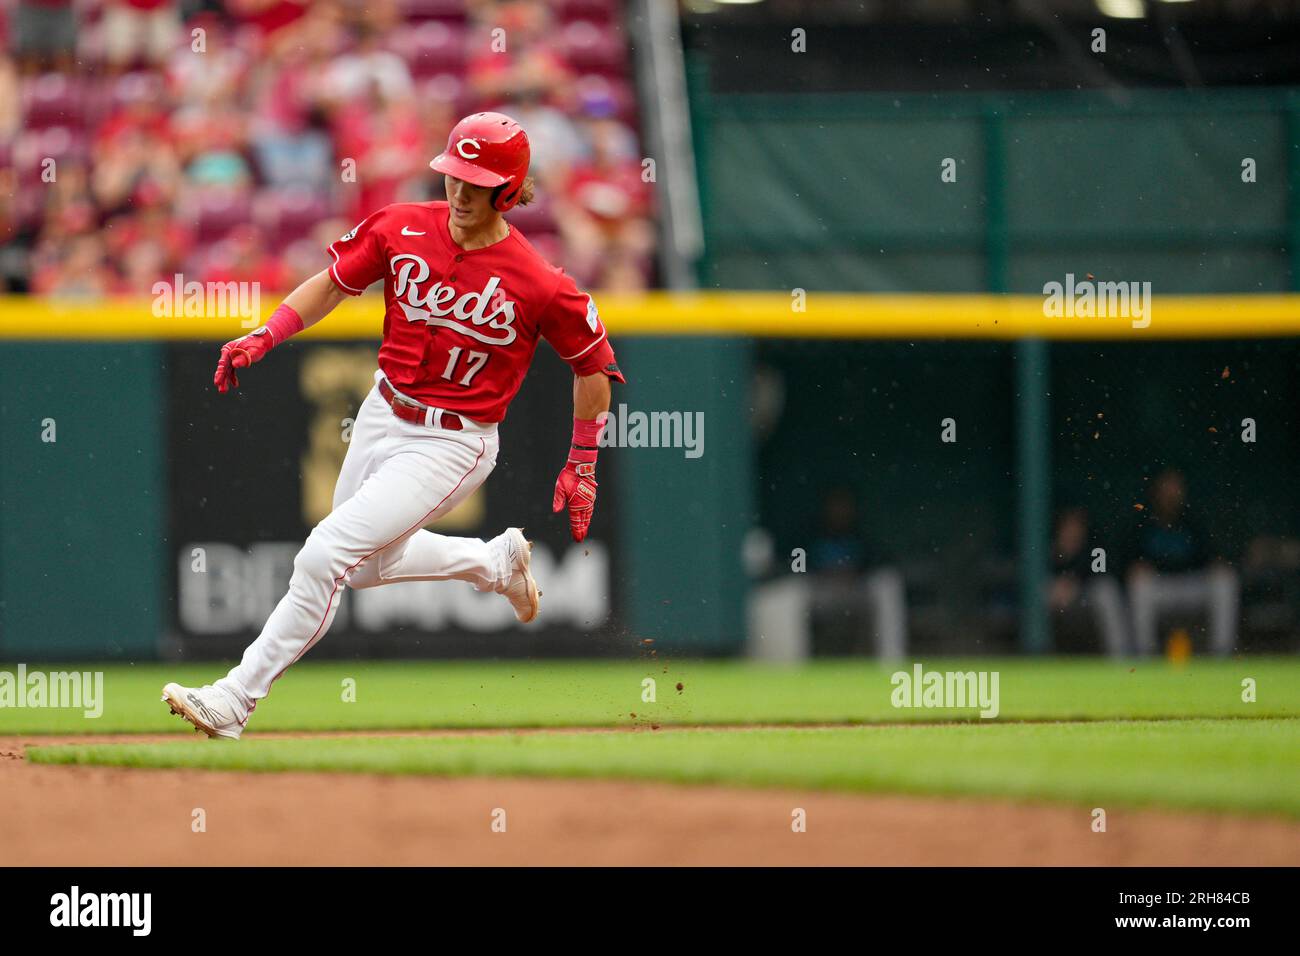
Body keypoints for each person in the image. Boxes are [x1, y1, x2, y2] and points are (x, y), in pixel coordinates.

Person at [162, 112, 625, 738]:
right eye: (454, 176)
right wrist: (269, 333)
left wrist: (583, 462)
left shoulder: (541, 283)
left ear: (508, 191)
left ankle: (234, 698)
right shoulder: (401, 226)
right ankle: (494, 565)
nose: (460, 193)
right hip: (381, 412)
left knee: (324, 555)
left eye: (477, 182)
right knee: (366, 568)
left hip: (453, 440)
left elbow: (591, 367)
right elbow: (332, 283)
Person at [1125, 468, 1239, 656]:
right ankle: (1144, 654)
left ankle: (1222, 653)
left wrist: (1217, 565)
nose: (1171, 494)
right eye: (1166, 489)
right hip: (1159, 588)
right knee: (1139, 583)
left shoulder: (1192, 520)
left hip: (1191, 585)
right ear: (1156, 492)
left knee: (1225, 580)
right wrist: (1137, 567)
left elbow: (1211, 557)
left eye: (1175, 488)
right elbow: (1129, 561)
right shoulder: (1143, 521)